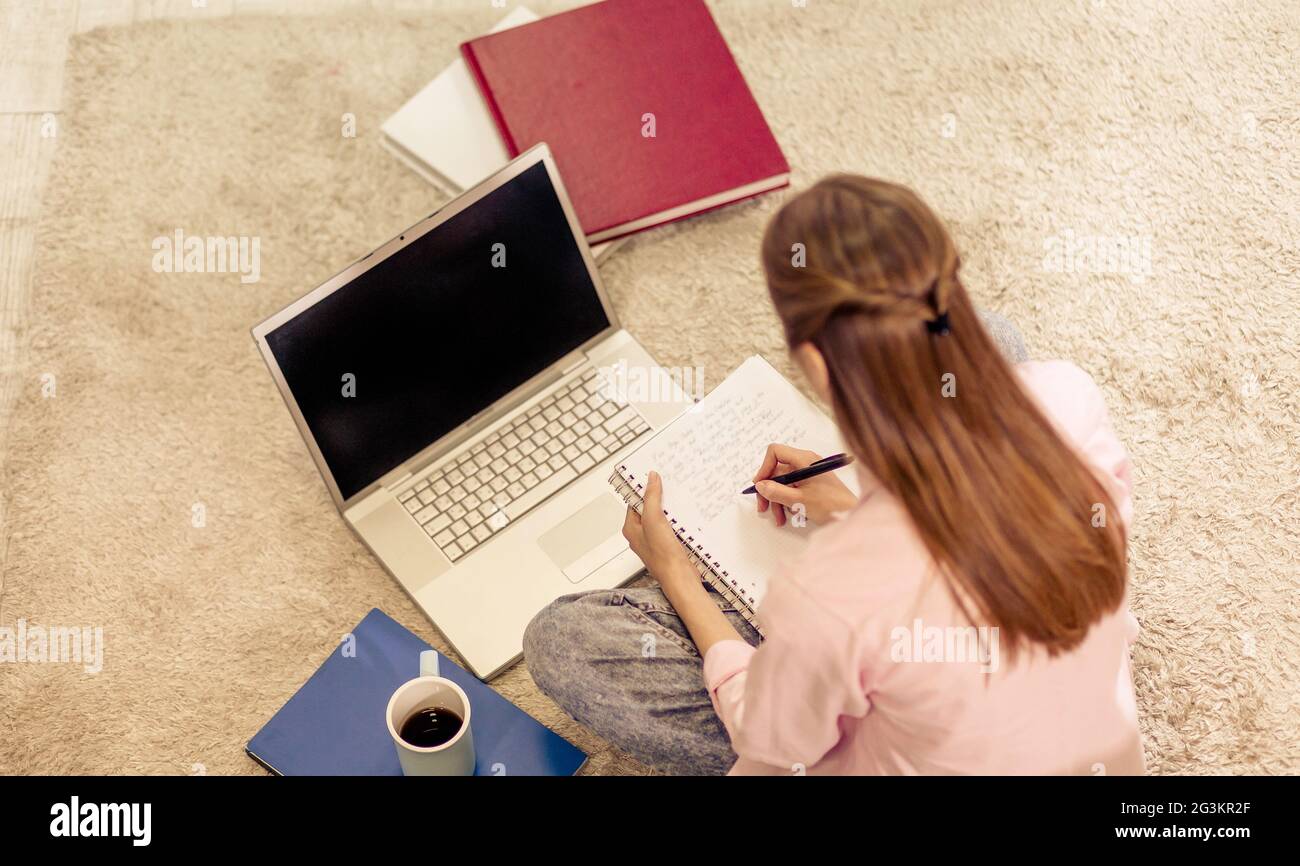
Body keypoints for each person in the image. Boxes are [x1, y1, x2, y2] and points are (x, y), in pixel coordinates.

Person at [524, 175, 1144, 775]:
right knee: (1000, 339)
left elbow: (765, 734)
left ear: (815, 361)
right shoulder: (1070, 394)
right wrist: (851, 511)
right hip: (1083, 734)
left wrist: (677, 576)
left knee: (560, 638)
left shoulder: (827, 592)